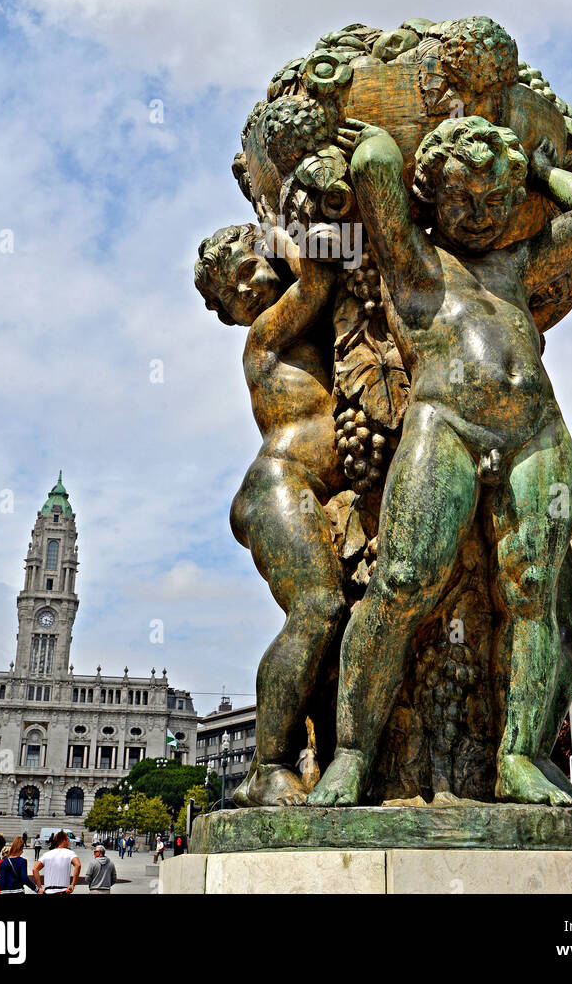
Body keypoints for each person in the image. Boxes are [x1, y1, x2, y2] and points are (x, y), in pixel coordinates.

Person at [309, 116, 572, 809]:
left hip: (535, 427)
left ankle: (521, 758)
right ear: (433, 201)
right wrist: (378, 132)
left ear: (511, 203)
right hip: (445, 417)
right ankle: (352, 756)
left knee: (536, 588)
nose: (477, 214)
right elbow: (377, 170)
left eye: (493, 200)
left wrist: (537, 170)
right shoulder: (412, 262)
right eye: (459, 199)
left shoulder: (517, 266)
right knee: (405, 579)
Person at [194, 220, 347, 806]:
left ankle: (321, 754)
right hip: (279, 482)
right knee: (319, 606)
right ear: (229, 309)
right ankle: (267, 764)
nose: (256, 279)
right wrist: (275, 235)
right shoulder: (264, 335)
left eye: (254, 262)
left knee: (332, 625)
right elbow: (317, 276)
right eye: (239, 281)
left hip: (316, 489)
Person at [32, 830, 80, 895]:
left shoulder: (47, 854)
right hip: (64, 890)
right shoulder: (70, 853)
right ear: (63, 840)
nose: (69, 841)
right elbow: (78, 865)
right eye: (67, 839)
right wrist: (73, 885)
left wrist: (40, 888)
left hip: (48, 891)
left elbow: (35, 869)